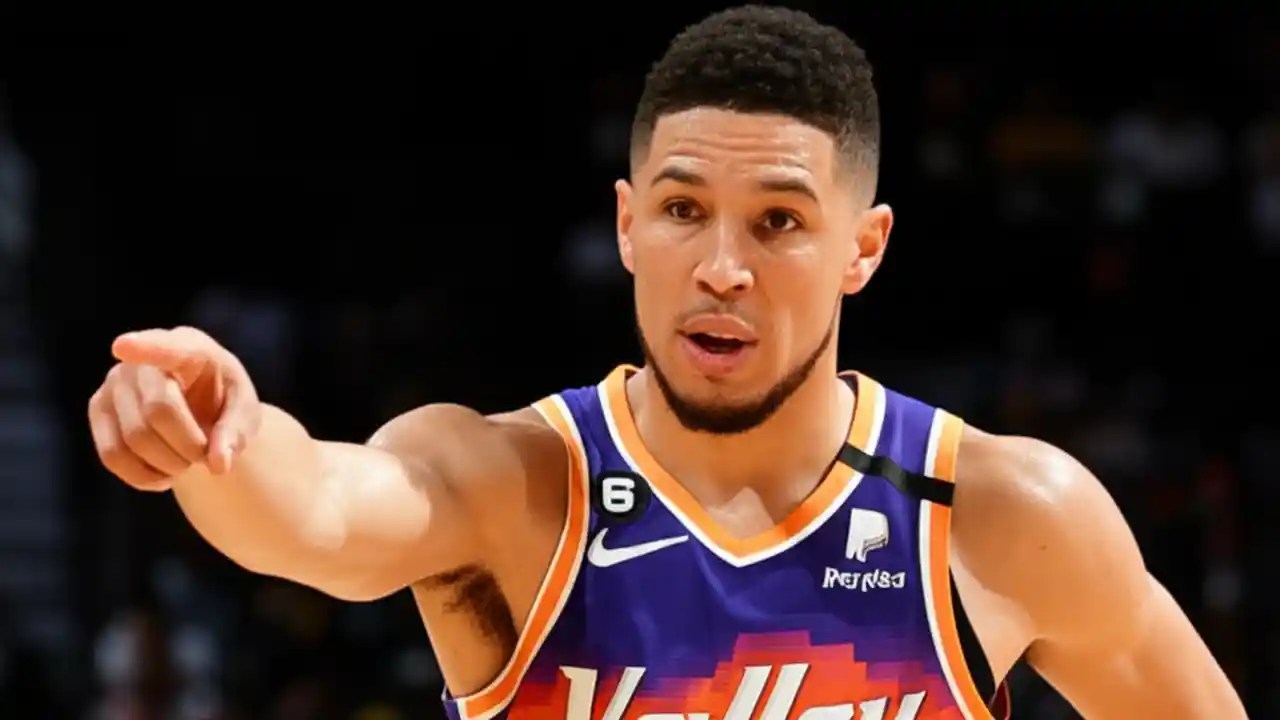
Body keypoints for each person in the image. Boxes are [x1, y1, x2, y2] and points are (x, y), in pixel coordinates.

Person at [87, 6, 1246, 719]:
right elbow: (315, 516)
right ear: (628, 226)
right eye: (685, 209)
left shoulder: (997, 515)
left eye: (779, 223)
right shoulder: (515, 485)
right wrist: (212, 435)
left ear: (863, 247)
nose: (723, 268)